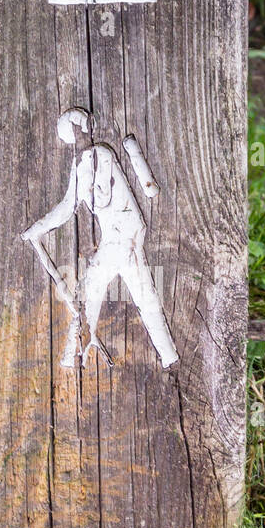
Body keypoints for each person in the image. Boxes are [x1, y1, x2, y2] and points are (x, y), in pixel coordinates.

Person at [22, 108, 179, 369]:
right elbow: (69, 205)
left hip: (122, 234)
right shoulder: (86, 162)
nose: (81, 132)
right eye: (75, 129)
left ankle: (75, 350)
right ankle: (166, 353)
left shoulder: (98, 157)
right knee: (140, 293)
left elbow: (78, 202)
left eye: (81, 126)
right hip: (120, 234)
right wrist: (38, 228)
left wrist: (38, 228)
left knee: (93, 289)